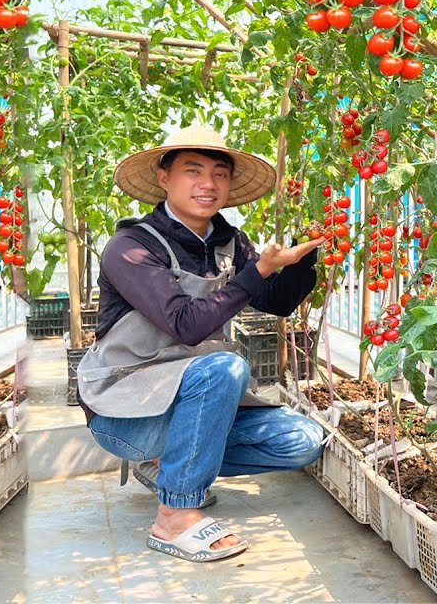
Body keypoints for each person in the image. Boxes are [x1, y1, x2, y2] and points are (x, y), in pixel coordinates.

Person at [76, 125, 325, 563]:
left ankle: (167, 469)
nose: (208, 184)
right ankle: (174, 514)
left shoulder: (230, 243)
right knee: (225, 367)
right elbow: (185, 325)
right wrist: (256, 272)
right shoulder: (130, 246)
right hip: (128, 411)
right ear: (163, 177)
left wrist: (305, 260)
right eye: (193, 171)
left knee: (302, 440)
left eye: (219, 174)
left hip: (193, 400)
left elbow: (279, 303)